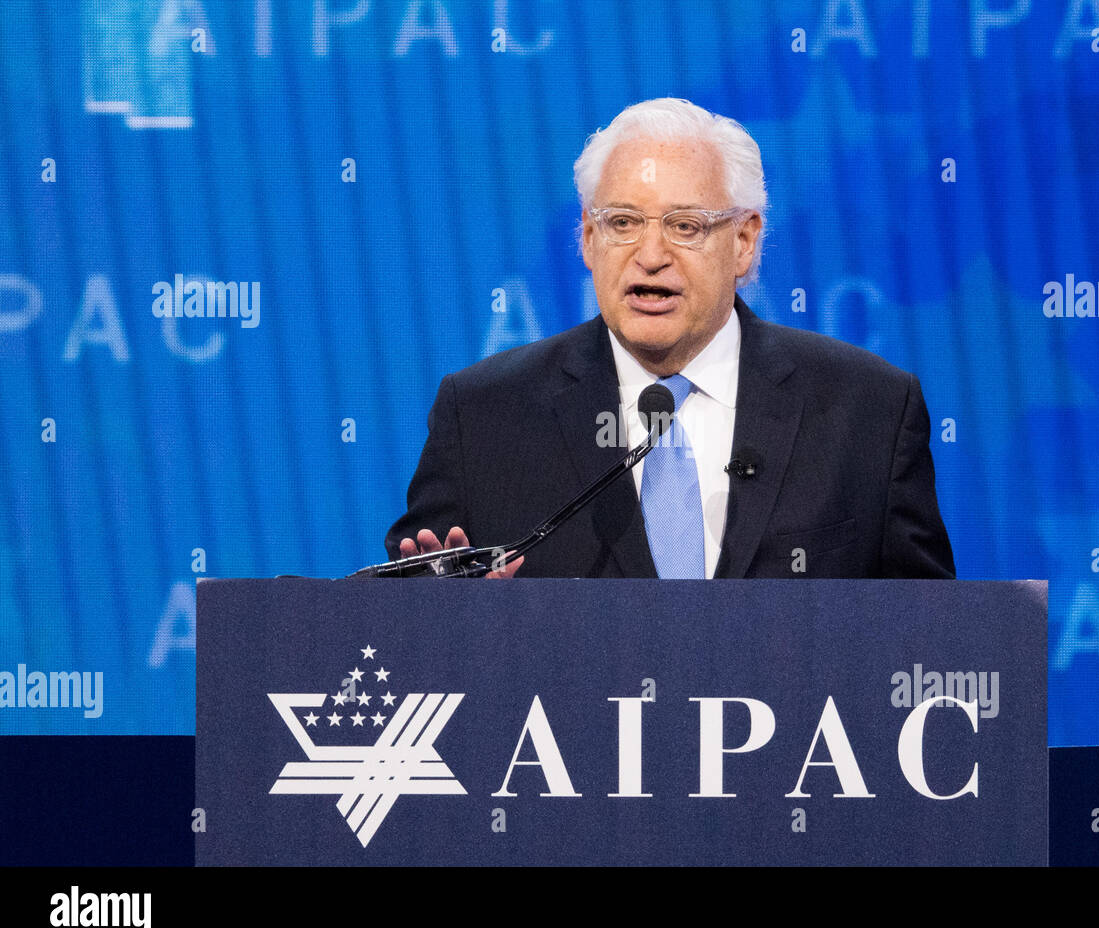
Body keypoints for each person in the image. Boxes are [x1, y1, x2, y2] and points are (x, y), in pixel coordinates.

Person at [385, 98, 954, 580]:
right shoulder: (483, 416)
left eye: (685, 226)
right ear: (587, 238)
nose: (651, 256)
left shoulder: (868, 411)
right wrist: (452, 625)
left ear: (744, 242)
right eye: (622, 223)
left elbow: (930, 634)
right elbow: (402, 639)